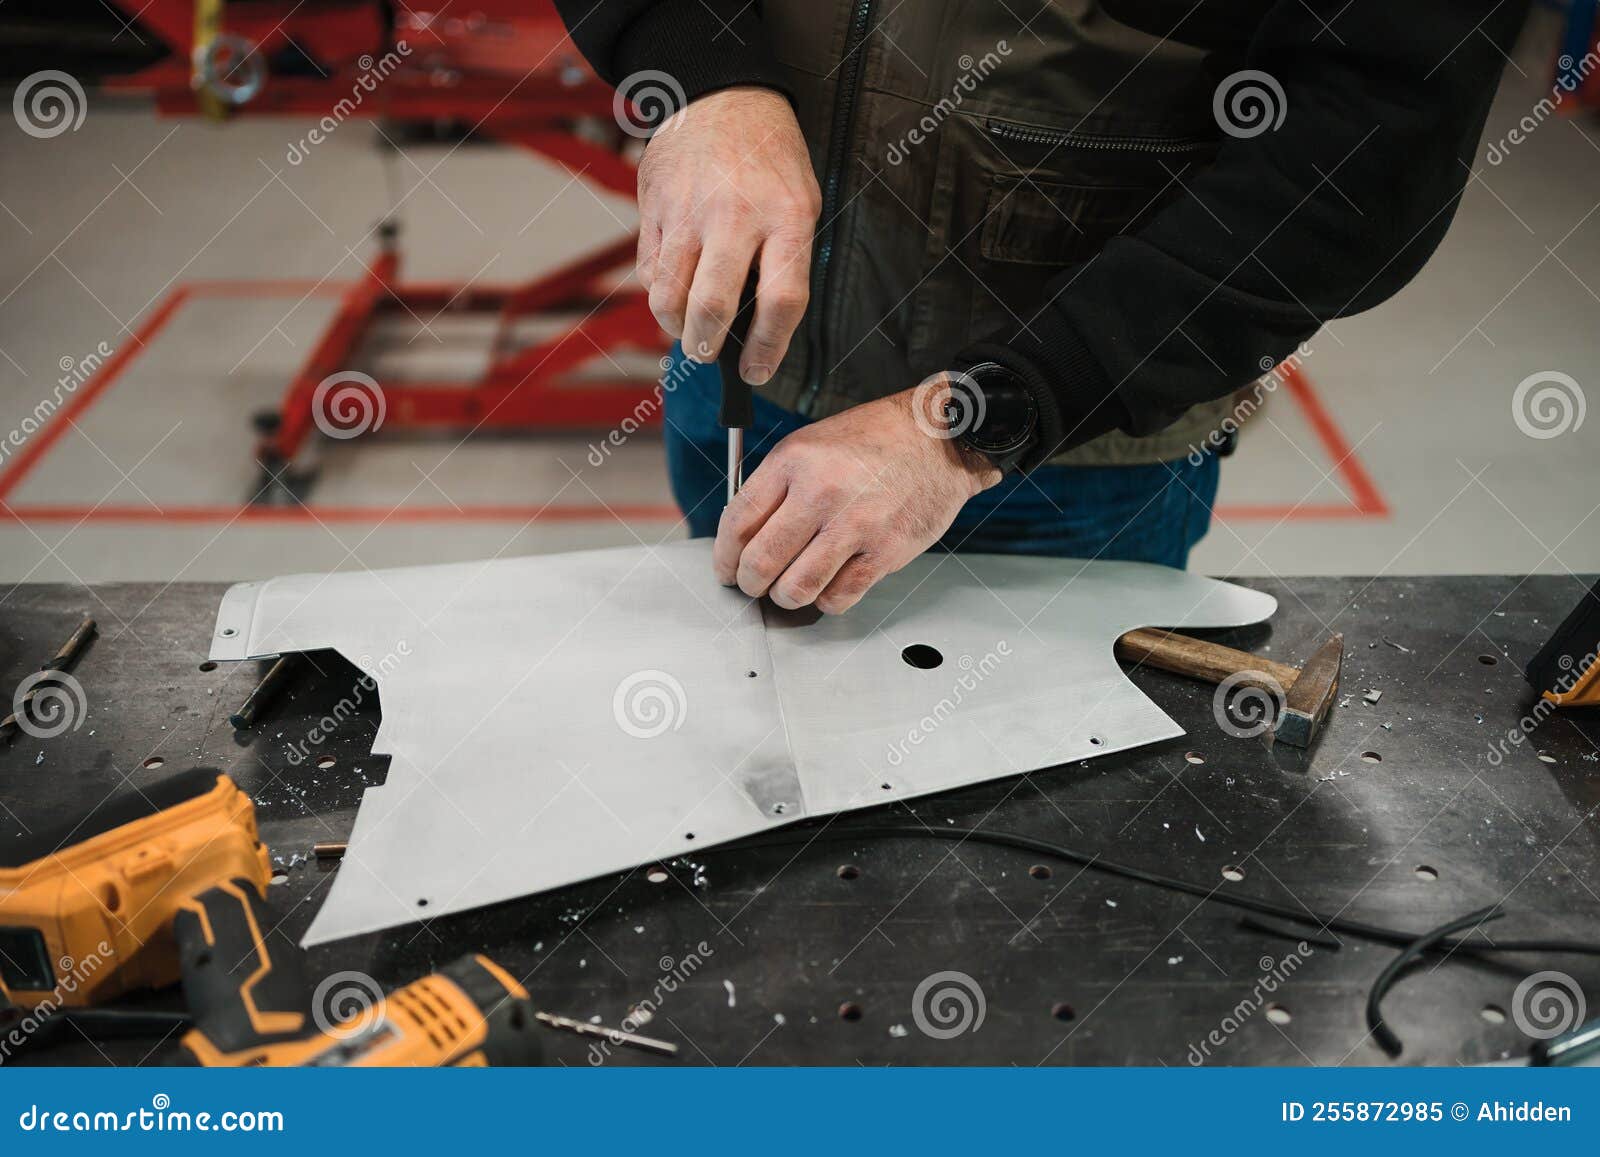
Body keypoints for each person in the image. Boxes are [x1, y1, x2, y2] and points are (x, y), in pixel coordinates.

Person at [552, 0, 1525, 613]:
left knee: (1024, 857)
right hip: (743, 356)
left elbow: (1365, 152)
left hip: (1069, 445)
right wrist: (701, 75)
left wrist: (976, 421)